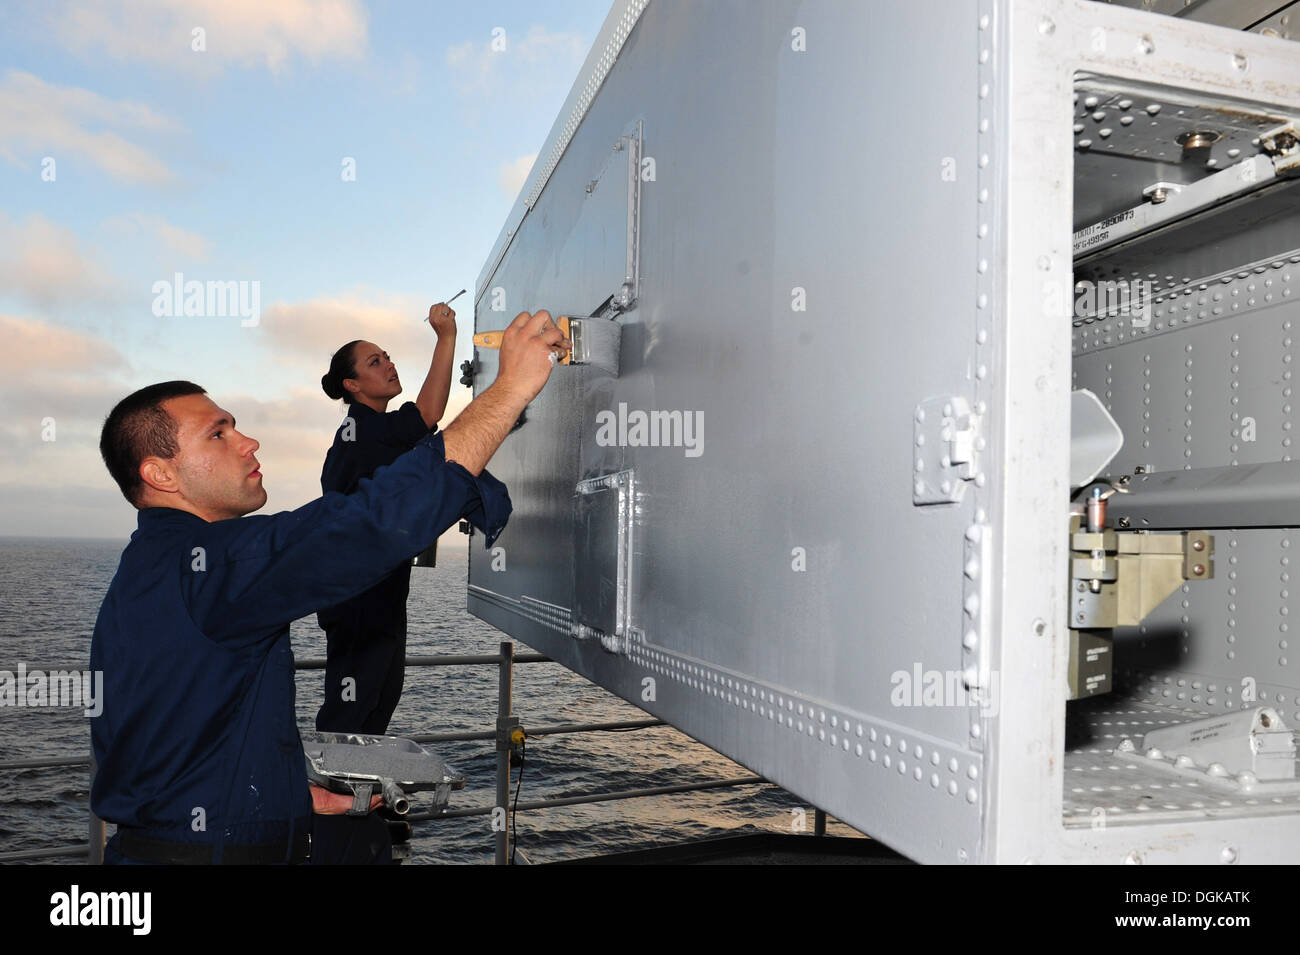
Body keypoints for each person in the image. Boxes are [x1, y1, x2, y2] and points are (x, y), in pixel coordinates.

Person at [90, 309, 569, 864]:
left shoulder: (149, 568)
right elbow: (367, 525)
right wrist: (510, 389)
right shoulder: (208, 567)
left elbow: (177, 733)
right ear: (160, 474)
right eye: (218, 433)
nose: (248, 441)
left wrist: (290, 793)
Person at [314, 301, 457, 738]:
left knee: (375, 705)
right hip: (360, 598)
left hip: (377, 592)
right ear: (352, 385)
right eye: (374, 362)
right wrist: (446, 336)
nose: (389, 364)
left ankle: (355, 782)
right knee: (351, 714)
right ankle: (333, 781)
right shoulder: (363, 429)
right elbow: (427, 413)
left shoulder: (370, 431)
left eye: (387, 356)